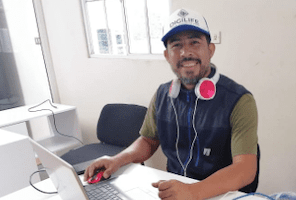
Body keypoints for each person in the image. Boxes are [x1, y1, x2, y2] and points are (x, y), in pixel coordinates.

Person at [84, 8, 259, 200]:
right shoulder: (162, 95)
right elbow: (148, 141)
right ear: (167, 55)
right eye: (176, 45)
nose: (186, 52)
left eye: (194, 42)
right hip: (175, 190)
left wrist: (193, 191)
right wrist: (116, 160)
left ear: (210, 50)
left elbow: (245, 169)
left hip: (220, 193)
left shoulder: (239, 100)